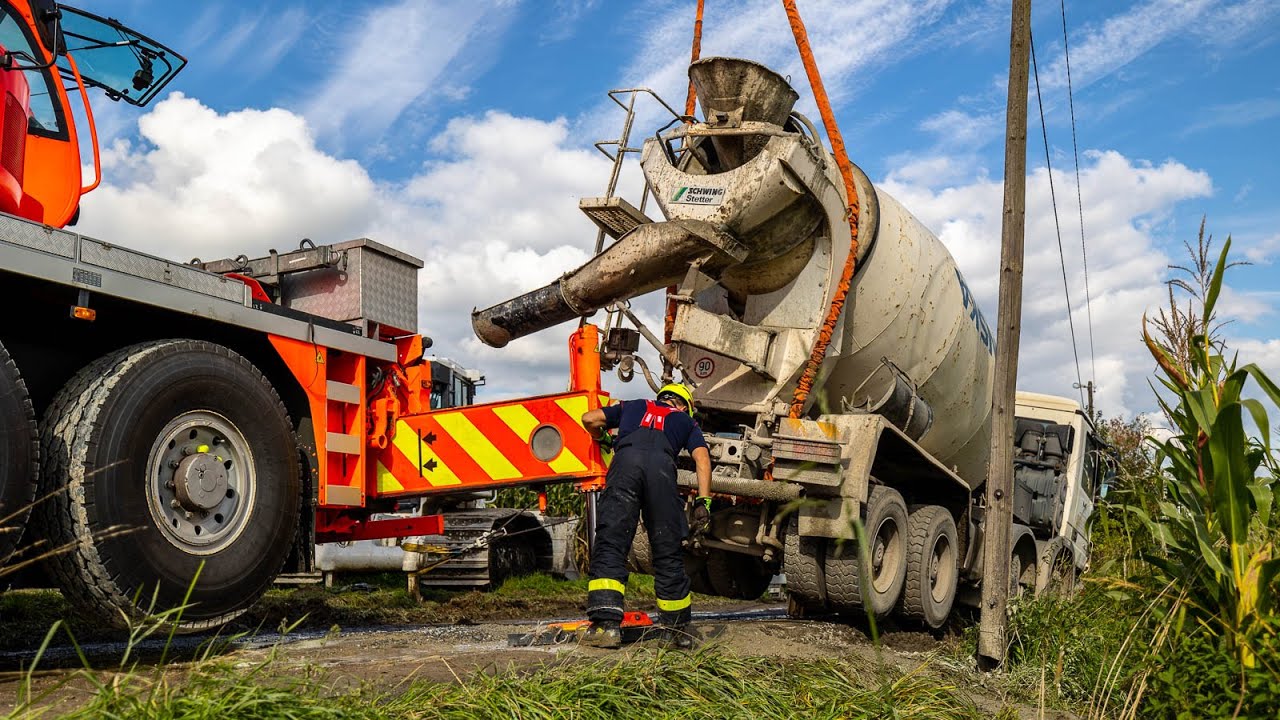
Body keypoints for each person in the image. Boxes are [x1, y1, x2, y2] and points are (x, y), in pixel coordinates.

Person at [578, 383, 713, 649]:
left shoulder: (635, 406)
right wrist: (703, 501)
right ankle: (675, 633)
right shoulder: (685, 421)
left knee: (612, 544)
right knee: (667, 550)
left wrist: (605, 439)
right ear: (684, 405)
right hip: (662, 475)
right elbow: (703, 459)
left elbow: (589, 418)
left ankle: (606, 627)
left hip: (625, 468)